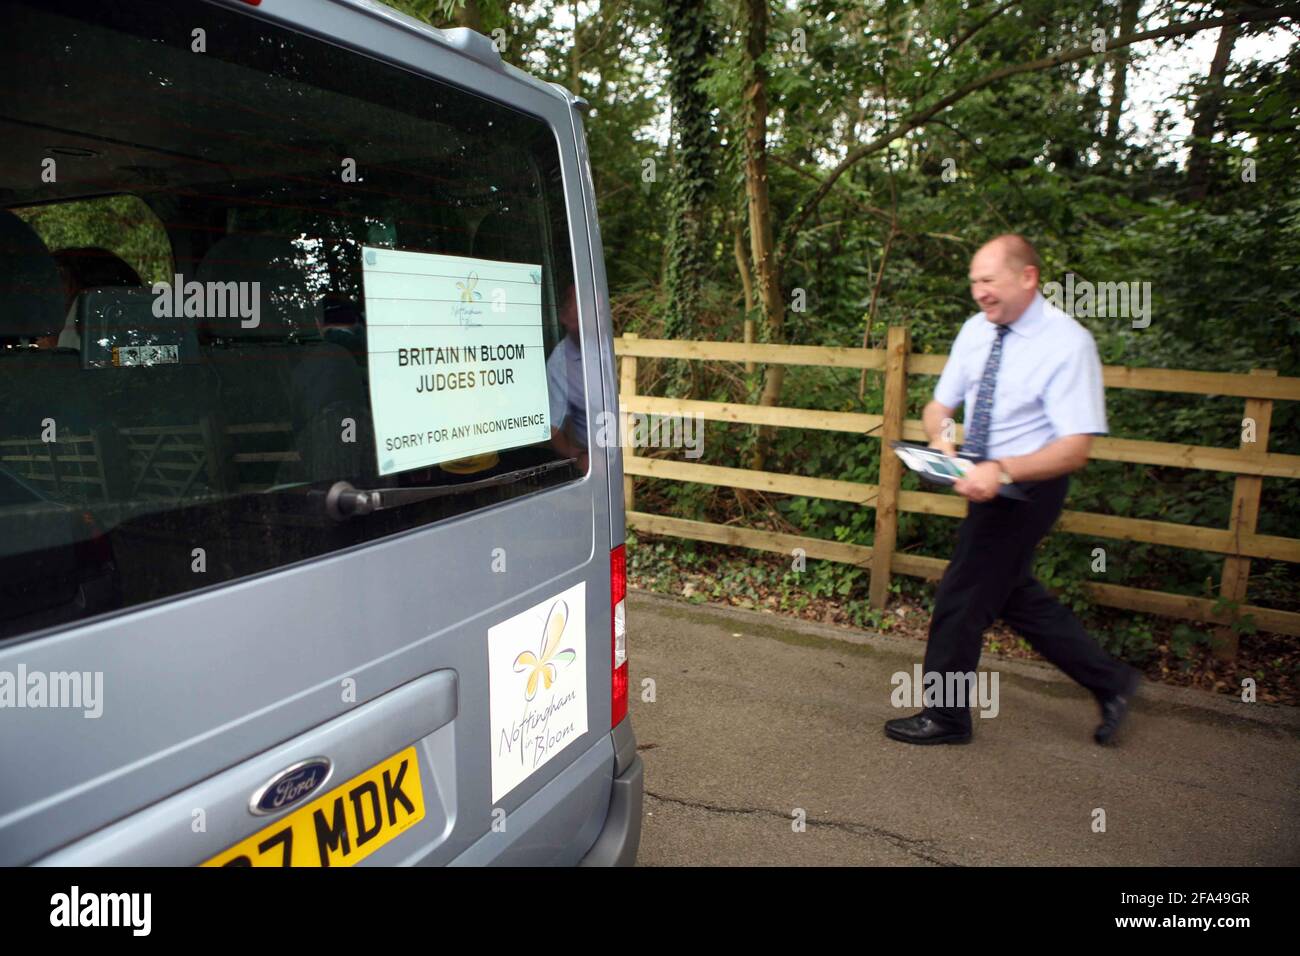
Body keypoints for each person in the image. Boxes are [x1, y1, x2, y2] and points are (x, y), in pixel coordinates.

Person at [884, 234, 1141, 747]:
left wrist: (1000, 470)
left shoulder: (1067, 343)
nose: (979, 292)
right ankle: (1111, 680)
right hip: (981, 479)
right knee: (1012, 594)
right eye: (974, 282)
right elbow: (939, 406)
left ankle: (947, 716)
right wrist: (942, 437)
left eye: (989, 281)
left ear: (1027, 278)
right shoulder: (976, 332)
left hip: (1028, 489)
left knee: (962, 595)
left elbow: (1075, 448)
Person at [546, 283, 588, 472]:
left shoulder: (603, 348)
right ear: (564, 317)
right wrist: (580, 458)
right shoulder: (560, 363)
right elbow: (553, 429)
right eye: (579, 308)